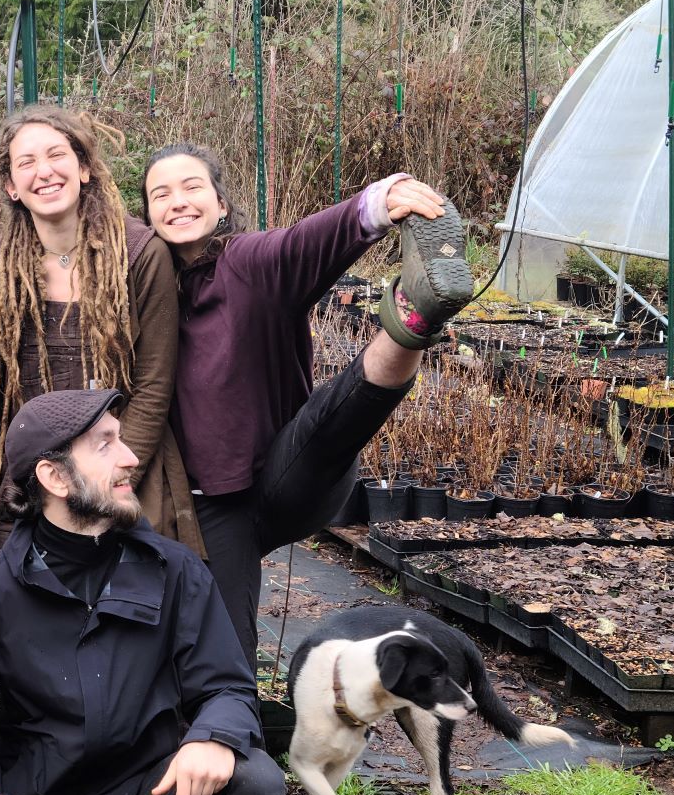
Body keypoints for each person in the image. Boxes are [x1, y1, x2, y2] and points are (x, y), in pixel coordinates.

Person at [0, 388, 287, 795]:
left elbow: (230, 689)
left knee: (255, 781)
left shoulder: (174, 569)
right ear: (54, 476)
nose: (131, 456)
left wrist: (210, 736)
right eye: (105, 444)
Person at [141, 144, 470, 658]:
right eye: (160, 194)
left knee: (328, 422)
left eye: (191, 187)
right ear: (147, 217)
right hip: (210, 508)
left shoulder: (245, 262)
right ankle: (231, 732)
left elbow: (301, 243)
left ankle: (413, 318)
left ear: (221, 204)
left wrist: (381, 201)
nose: (177, 201)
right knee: (222, 646)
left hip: (286, 477)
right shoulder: (145, 287)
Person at [0, 105, 196, 551]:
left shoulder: (138, 254)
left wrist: (108, 478)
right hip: (37, 481)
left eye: (57, 155)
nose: (44, 172)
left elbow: (154, 385)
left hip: (127, 468)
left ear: (82, 168)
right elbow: (2, 391)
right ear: (10, 186)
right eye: (26, 163)